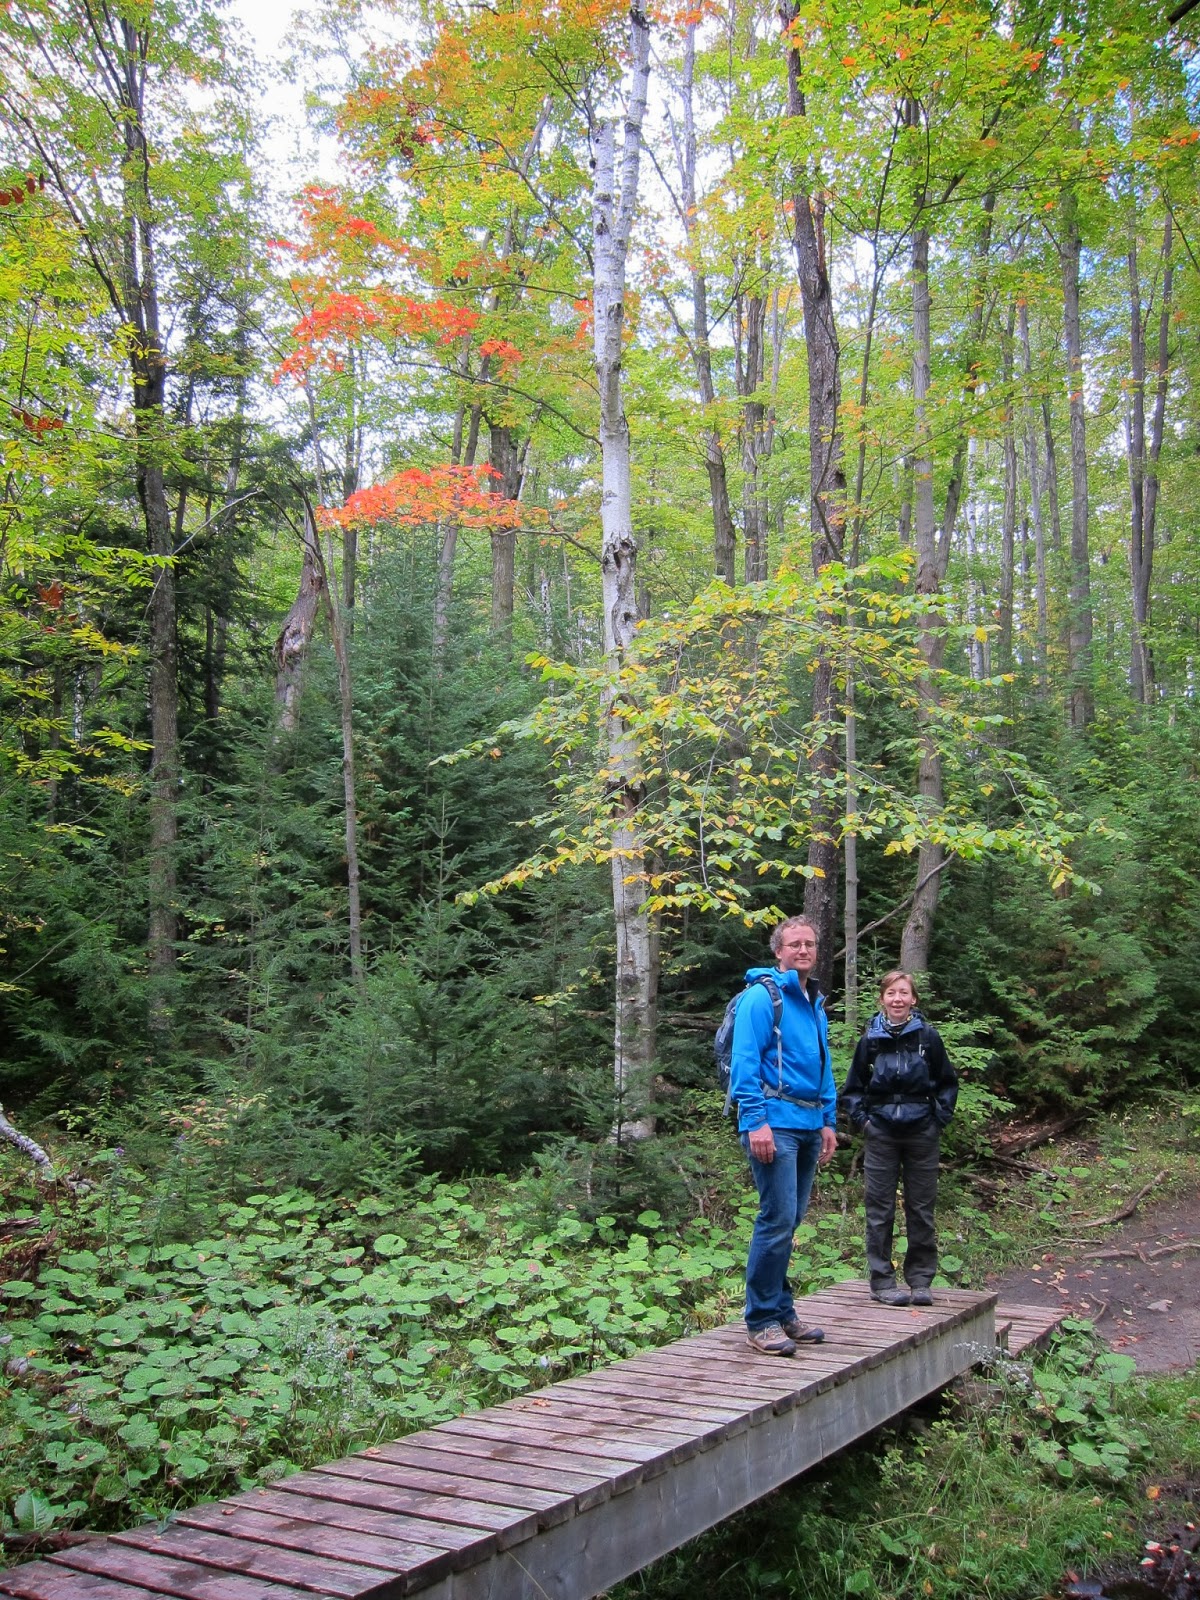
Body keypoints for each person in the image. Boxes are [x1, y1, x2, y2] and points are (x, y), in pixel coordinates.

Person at [729, 916, 838, 1356]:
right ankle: (761, 1320)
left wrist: (828, 1120)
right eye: (795, 944)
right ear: (779, 951)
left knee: (789, 1222)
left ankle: (781, 1310)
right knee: (776, 1220)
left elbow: (823, 1066)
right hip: (774, 1125)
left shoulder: (813, 1001)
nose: (803, 950)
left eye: (809, 944)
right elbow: (744, 1062)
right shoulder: (763, 996)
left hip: (809, 1124)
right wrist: (755, 1122)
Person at [841, 969, 958, 1307]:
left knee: (921, 1208)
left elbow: (947, 1083)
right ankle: (882, 1282)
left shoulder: (928, 1038)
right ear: (882, 999)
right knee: (879, 1209)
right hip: (881, 1133)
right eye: (891, 993)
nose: (897, 999)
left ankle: (920, 1281)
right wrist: (864, 1122)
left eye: (903, 993)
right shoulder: (870, 1040)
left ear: (913, 999)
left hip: (922, 1132)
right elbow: (853, 1088)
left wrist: (938, 1120)